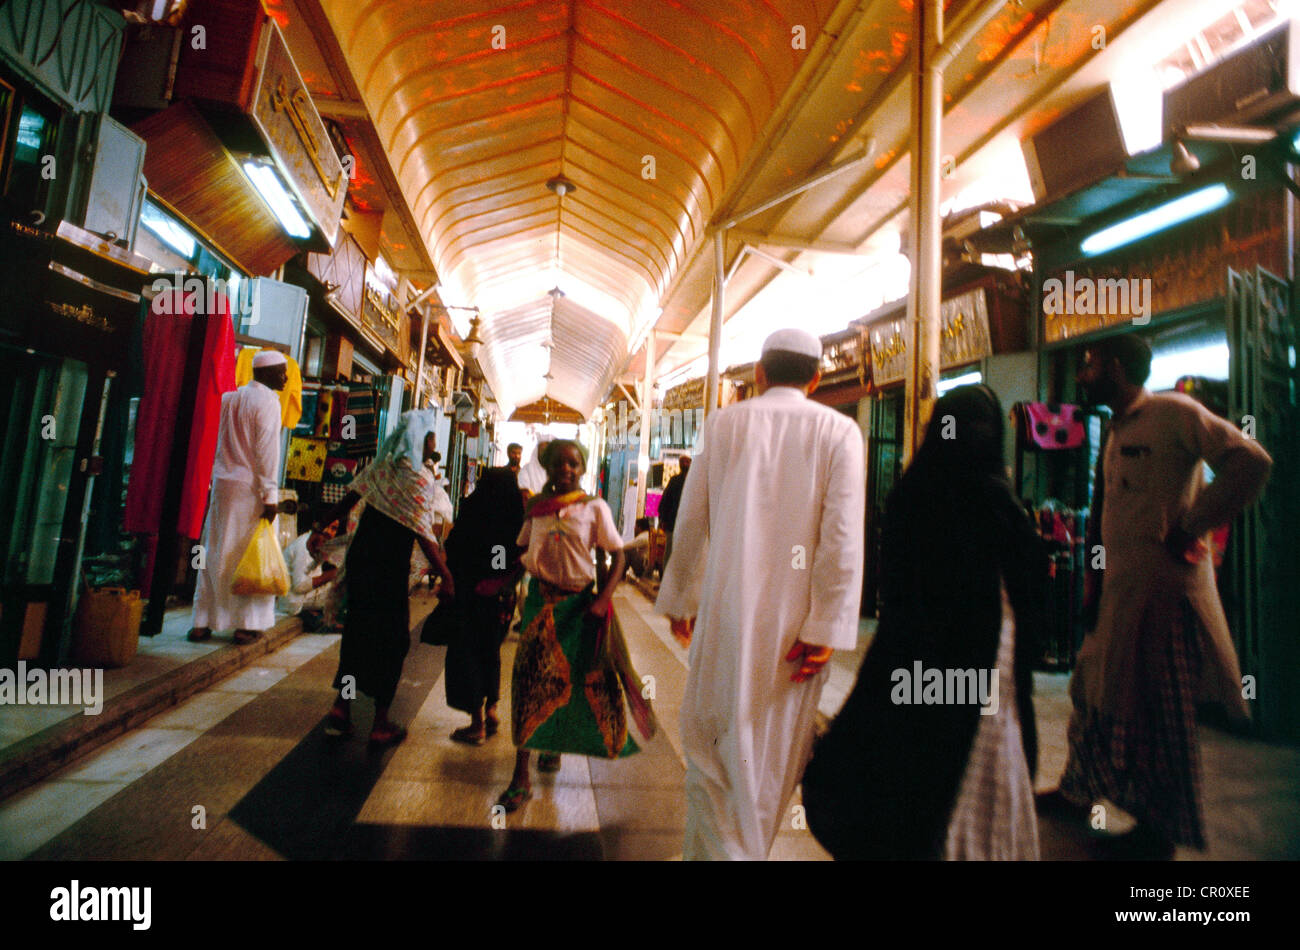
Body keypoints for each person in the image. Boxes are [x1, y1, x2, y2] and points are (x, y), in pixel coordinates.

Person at [1041, 334, 1272, 858]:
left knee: (1160, 719)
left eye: (1092, 364)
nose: (1083, 374)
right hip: (1117, 597)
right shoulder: (1116, 430)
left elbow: (1251, 461)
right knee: (1091, 696)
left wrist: (1194, 525)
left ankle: (1159, 834)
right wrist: (1094, 586)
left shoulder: (1175, 413)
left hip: (1165, 603)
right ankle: (1079, 792)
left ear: (1117, 369)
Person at [802, 385, 1048, 860]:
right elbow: (1031, 597)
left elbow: (896, 598)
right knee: (979, 784)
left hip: (916, 675)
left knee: (914, 789)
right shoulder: (1003, 505)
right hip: (990, 678)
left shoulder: (910, 497)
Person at [656, 328, 865, 861]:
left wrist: (682, 599)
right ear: (816, 379)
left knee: (708, 753)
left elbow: (692, 520)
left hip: (725, 618)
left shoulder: (723, 424)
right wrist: (827, 628)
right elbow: (841, 538)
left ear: (760, 374)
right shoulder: (840, 433)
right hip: (792, 636)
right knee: (767, 769)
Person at [309, 409, 457, 747]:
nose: (434, 441)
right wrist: (445, 574)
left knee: (358, 636)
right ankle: (379, 722)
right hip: (388, 569)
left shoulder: (382, 467)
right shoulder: (418, 479)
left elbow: (350, 496)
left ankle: (341, 708)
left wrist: (320, 527)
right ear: (421, 440)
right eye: (431, 435)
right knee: (392, 643)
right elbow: (423, 532)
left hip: (362, 561)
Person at [498, 439, 628, 812]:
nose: (565, 470)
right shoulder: (537, 508)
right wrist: (502, 586)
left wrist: (603, 601)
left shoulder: (594, 507)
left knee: (568, 682)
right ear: (548, 468)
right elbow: (521, 552)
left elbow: (619, 556)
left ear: (582, 468)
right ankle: (520, 778)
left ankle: (552, 745)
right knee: (528, 682)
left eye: (572, 464)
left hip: (579, 607)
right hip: (540, 603)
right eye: (558, 464)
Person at [189, 349, 288, 646]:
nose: (285, 378)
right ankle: (245, 625)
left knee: (215, 552)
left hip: (223, 486)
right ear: (267, 373)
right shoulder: (268, 402)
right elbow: (265, 452)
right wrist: (270, 496)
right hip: (251, 491)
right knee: (248, 555)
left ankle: (202, 622)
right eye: (282, 372)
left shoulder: (229, 398)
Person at [433, 467, 526, 745]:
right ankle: (492, 710)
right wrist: (501, 581)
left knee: (467, 652)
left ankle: (477, 724)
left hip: (470, 592)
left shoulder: (474, 507)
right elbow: (521, 555)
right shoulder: (516, 513)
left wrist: (448, 580)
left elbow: (455, 544)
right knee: (491, 650)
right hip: (501, 599)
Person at [277, 529, 340, 626]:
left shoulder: (316, 542)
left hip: (305, 597)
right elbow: (299, 586)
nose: (330, 533)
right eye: (329, 527)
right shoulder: (304, 546)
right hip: (294, 602)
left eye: (334, 529)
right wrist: (329, 575)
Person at [656, 455, 690, 566]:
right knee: (669, 551)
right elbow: (666, 500)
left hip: (687, 524)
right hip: (672, 522)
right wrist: (662, 519)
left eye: (687, 461)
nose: (685, 464)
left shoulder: (693, 482)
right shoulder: (674, 480)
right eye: (682, 461)